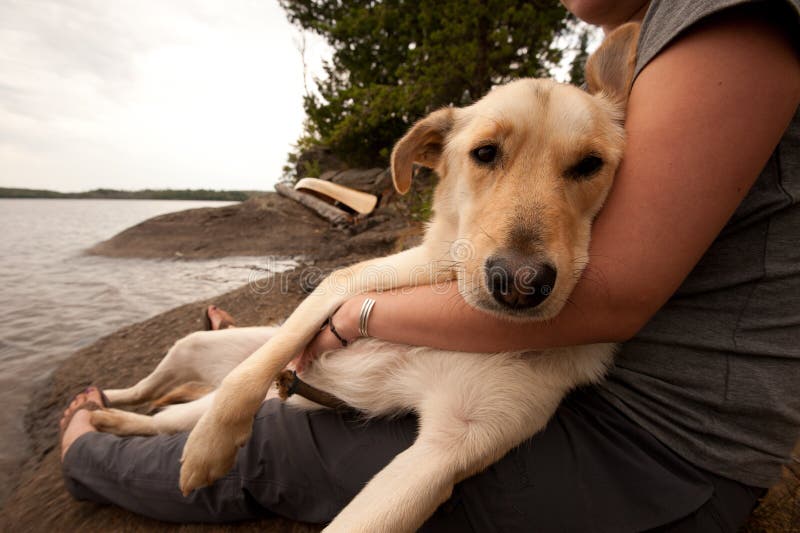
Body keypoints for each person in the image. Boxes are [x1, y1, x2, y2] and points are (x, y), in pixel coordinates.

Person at [59, 0, 800, 530]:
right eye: (486, 154)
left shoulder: (721, 22)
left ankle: (85, 455)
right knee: (260, 384)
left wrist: (353, 315)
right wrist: (339, 316)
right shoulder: (645, 54)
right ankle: (144, 410)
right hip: (605, 405)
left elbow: (611, 299)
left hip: (653, 448)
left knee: (271, 444)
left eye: (583, 166)